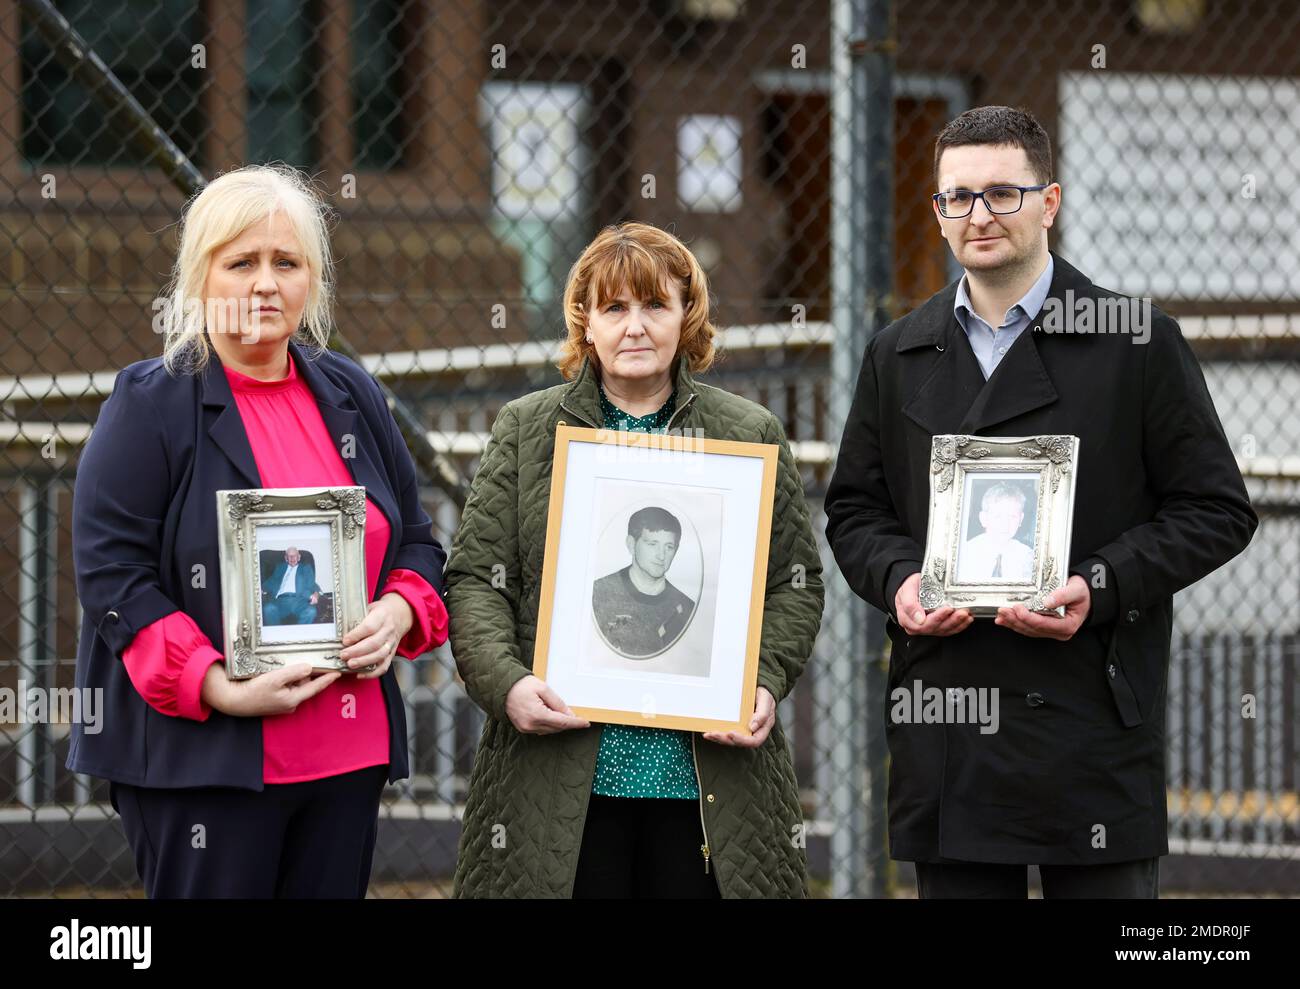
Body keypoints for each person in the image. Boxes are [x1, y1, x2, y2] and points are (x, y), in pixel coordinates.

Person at [824, 106, 1257, 898]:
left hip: (1089, 712)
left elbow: (1217, 509)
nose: (978, 215)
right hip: (951, 720)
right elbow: (854, 511)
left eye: (1002, 193)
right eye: (958, 197)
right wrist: (901, 582)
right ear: (938, 211)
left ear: (1049, 202)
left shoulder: (1136, 341)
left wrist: (1100, 583)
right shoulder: (898, 351)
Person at [68, 164, 449, 898]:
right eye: (240, 262)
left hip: (346, 750)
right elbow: (113, 578)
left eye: (287, 262)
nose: (264, 284)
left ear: (313, 281)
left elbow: (418, 542)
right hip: (209, 754)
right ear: (199, 277)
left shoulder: (351, 391)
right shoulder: (150, 404)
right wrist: (220, 686)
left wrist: (398, 610)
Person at [446, 221, 824, 898]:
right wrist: (506, 684)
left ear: (688, 316)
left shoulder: (748, 433)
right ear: (584, 321)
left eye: (655, 305)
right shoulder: (527, 429)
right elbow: (476, 578)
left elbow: (794, 584)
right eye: (614, 307)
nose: (635, 326)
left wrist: (761, 681)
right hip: (563, 773)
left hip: (708, 775)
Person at [591, 506, 697, 657]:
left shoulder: (689, 610)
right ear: (631, 545)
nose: (661, 556)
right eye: (652, 544)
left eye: (669, 546)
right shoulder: (596, 594)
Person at [957, 483, 1034, 582]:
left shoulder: (1027, 557)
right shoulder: (965, 554)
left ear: (1021, 519)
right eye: (998, 516)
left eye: (1012, 516)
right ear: (983, 518)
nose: (1005, 524)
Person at [262, 546, 323, 625]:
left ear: (299, 557)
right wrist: (261, 588)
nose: (292, 558)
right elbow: (271, 581)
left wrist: (316, 593)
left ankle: (299, 635)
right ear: (286, 558)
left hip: (299, 600)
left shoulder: (305, 568)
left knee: (311, 611)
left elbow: (311, 583)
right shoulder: (280, 568)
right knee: (268, 609)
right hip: (280, 601)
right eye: (289, 556)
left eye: (294, 555)